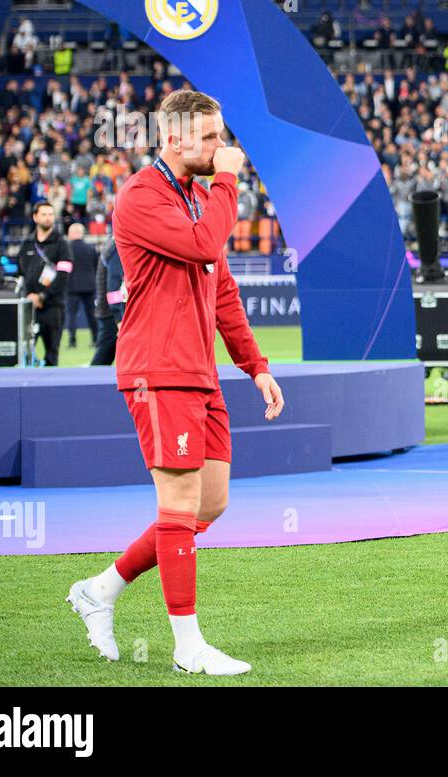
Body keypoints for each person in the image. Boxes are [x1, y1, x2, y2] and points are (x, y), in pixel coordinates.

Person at [66, 90, 284, 677]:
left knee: (209, 503)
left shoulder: (194, 195)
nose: (222, 148)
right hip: (157, 370)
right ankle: (188, 646)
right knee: (180, 505)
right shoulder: (142, 196)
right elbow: (202, 244)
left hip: (199, 372)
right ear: (174, 138)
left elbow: (222, 290)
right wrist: (228, 184)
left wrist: (255, 365)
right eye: (210, 138)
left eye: (221, 136)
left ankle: (101, 590)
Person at [17, 202, 72, 366]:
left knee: (51, 354)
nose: (48, 218)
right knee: (24, 354)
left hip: (53, 307)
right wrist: (29, 296)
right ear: (35, 217)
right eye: (44, 214)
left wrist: (42, 296)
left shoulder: (62, 244)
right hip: (29, 307)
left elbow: (63, 275)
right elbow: (21, 274)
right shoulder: (26, 244)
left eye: (50, 214)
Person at [90, 233, 125, 366]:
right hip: (113, 314)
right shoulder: (117, 245)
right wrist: (119, 319)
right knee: (101, 361)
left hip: (110, 311)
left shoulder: (114, 241)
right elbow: (113, 285)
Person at [65, 223, 99, 350]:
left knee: (71, 315)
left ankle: (72, 342)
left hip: (72, 286)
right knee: (92, 314)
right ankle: (96, 340)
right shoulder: (90, 248)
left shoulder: (67, 248)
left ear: (71, 233)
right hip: (90, 286)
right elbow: (97, 266)